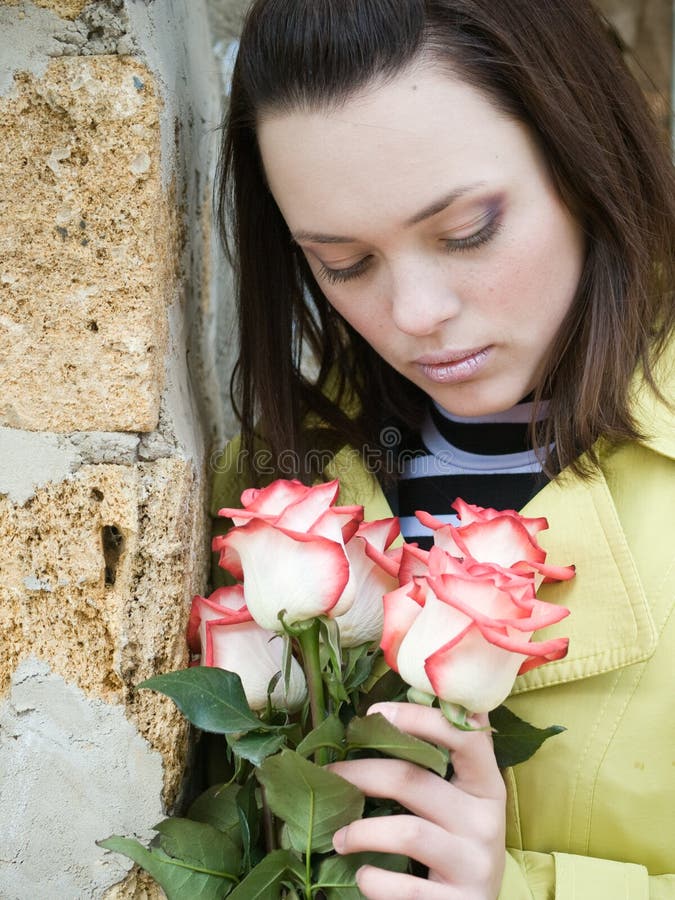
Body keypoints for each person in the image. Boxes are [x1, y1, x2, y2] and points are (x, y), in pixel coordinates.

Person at [210, 1, 675, 897]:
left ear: (582, 159)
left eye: (466, 232)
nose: (416, 314)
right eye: (342, 262)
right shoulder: (276, 492)